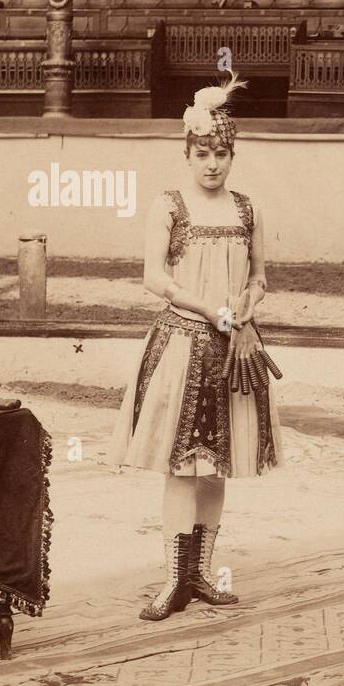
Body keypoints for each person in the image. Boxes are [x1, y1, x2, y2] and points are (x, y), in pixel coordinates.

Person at [107, 71, 283, 621]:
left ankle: (203, 572)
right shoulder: (169, 205)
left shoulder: (248, 210)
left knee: (217, 466)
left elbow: (259, 277)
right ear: (188, 151)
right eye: (204, 152)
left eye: (222, 153)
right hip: (183, 345)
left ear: (233, 155)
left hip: (234, 352)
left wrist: (248, 308)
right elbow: (153, 278)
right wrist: (208, 308)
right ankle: (173, 580)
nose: (213, 163)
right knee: (180, 465)